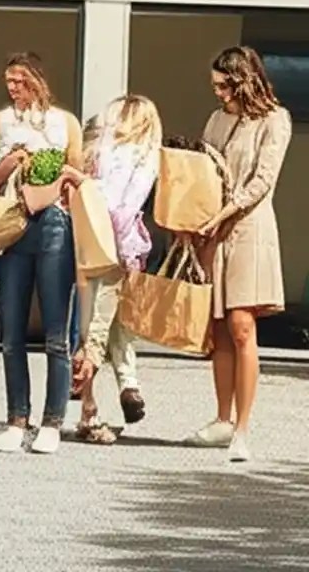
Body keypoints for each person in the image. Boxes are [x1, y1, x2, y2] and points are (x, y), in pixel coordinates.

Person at [187, 46, 292, 462]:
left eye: (222, 85)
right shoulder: (218, 118)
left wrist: (225, 213)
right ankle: (222, 418)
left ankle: (243, 429)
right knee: (218, 328)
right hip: (215, 226)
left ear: (241, 80)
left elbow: (264, 180)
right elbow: (203, 168)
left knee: (242, 324)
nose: (217, 93)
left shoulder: (275, 120)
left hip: (249, 227)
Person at [0, 51, 83, 454]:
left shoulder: (65, 122)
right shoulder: (0, 121)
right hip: (12, 222)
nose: (13, 88)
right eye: (8, 81)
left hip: (54, 221)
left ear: (38, 80)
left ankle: (53, 421)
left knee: (56, 329)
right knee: (12, 330)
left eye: (20, 80)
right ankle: (16, 419)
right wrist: (10, 162)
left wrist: (58, 172)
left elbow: (78, 177)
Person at [69, 96, 162, 444]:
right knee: (115, 321)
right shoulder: (147, 153)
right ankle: (127, 384)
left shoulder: (100, 146)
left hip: (91, 239)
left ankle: (88, 405)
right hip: (124, 246)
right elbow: (132, 201)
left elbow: (93, 194)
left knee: (91, 322)